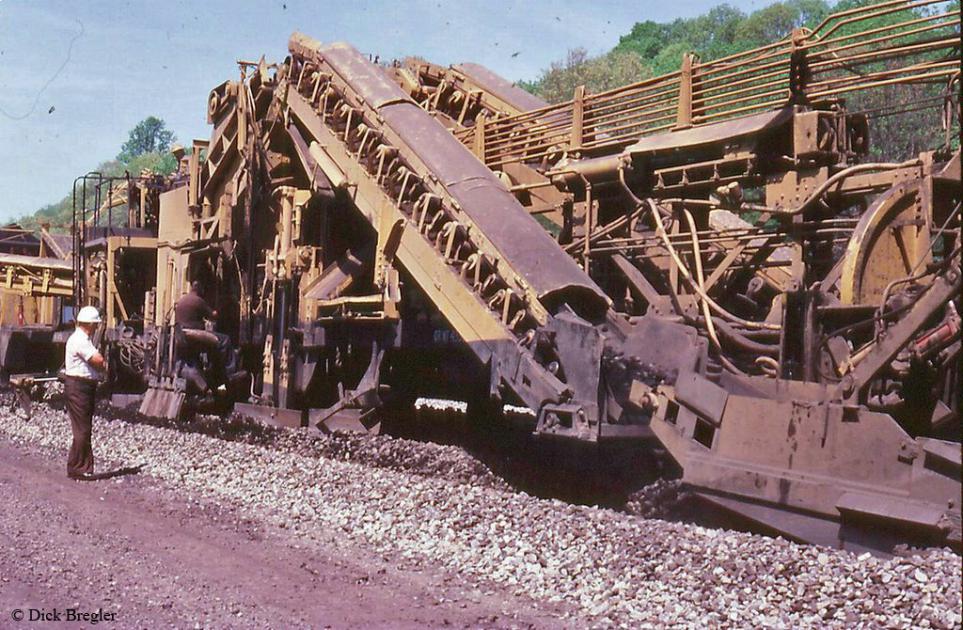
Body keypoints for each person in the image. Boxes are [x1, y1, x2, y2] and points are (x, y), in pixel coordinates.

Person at [63, 306, 106, 480]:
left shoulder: (80, 338)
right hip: (79, 387)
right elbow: (98, 359)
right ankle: (80, 469)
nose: (96, 327)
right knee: (82, 429)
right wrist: (103, 366)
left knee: (81, 428)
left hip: (80, 386)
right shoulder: (80, 340)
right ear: (89, 324)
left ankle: (76, 466)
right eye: (95, 324)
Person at [174, 281, 236, 385]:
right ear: (200, 289)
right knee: (225, 340)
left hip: (183, 335)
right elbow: (213, 316)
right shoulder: (198, 301)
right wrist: (223, 307)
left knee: (212, 343)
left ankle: (210, 373)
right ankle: (230, 372)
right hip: (193, 334)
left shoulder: (182, 300)